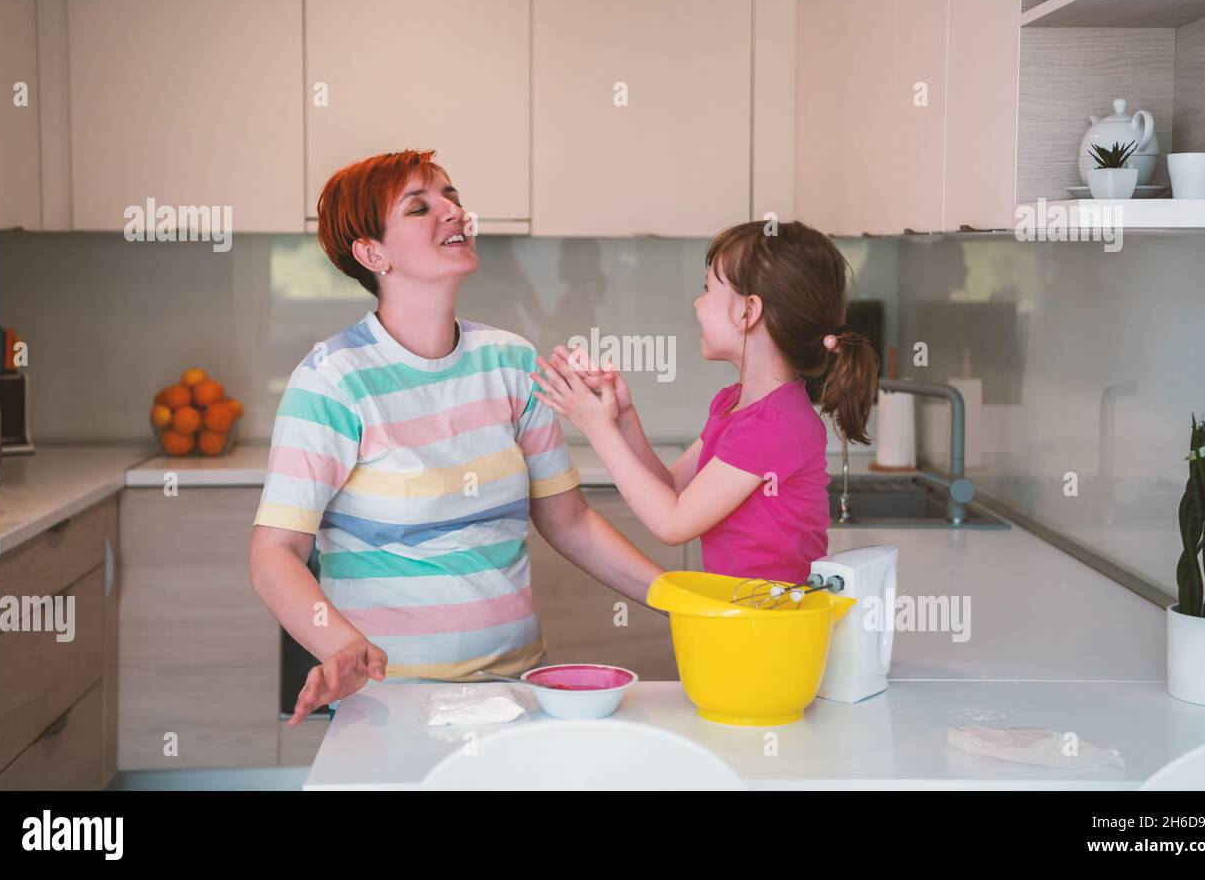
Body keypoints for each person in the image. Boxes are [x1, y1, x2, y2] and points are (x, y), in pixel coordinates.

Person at [249, 149, 666, 724]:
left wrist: (681, 599)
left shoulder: (511, 363)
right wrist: (341, 645)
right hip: (391, 700)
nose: (453, 212)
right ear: (372, 254)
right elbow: (275, 554)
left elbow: (568, 522)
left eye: (453, 198)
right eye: (420, 207)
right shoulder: (332, 381)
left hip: (518, 692)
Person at [533, 219, 879, 586]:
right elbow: (673, 488)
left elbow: (672, 523)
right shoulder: (736, 405)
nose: (698, 303)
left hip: (771, 630)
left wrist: (596, 427)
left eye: (708, 289)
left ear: (748, 311)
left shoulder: (773, 425)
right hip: (744, 621)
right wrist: (623, 418)